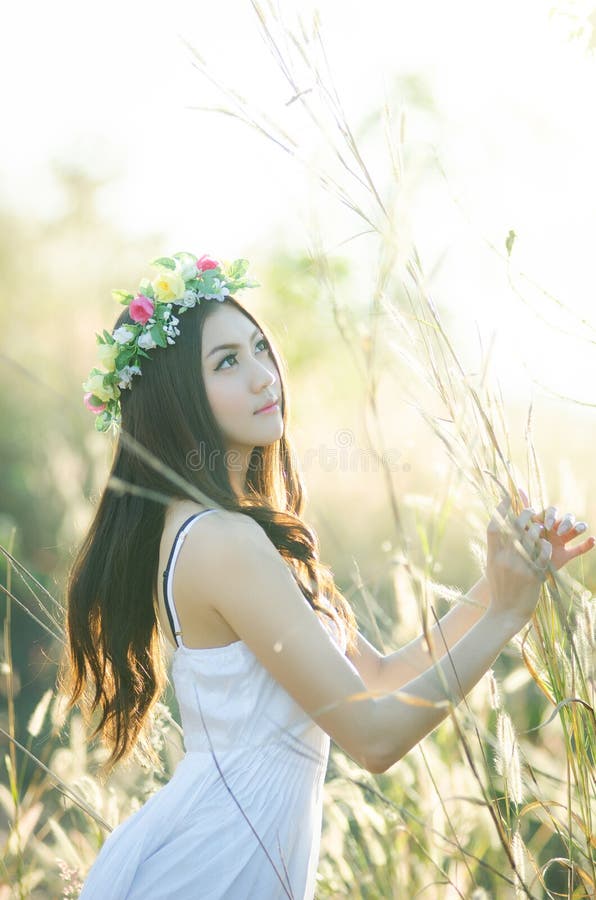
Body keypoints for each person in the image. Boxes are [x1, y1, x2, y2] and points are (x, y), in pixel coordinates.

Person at [61, 251, 594, 899]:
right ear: (175, 397)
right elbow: (374, 738)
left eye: (260, 348)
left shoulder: (222, 530)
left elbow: (379, 678)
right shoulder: (220, 541)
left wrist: (500, 582)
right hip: (214, 868)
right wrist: (507, 615)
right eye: (226, 362)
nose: (264, 376)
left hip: (239, 856)